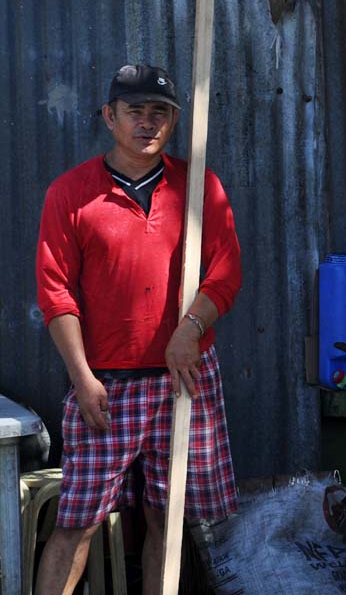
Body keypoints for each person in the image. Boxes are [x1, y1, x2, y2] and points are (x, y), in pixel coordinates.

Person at [34, 64, 241, 594]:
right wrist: (81, 378)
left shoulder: (199, 188)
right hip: (105, 383)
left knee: (166, 518)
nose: (147, 123)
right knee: (76, 521)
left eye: (160, 112)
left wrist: (189, 328)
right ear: (109, 116)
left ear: (173, 121)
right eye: (135, 111)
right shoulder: (72, 193)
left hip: (182, 377)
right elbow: (56, 292)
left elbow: (225, 272)